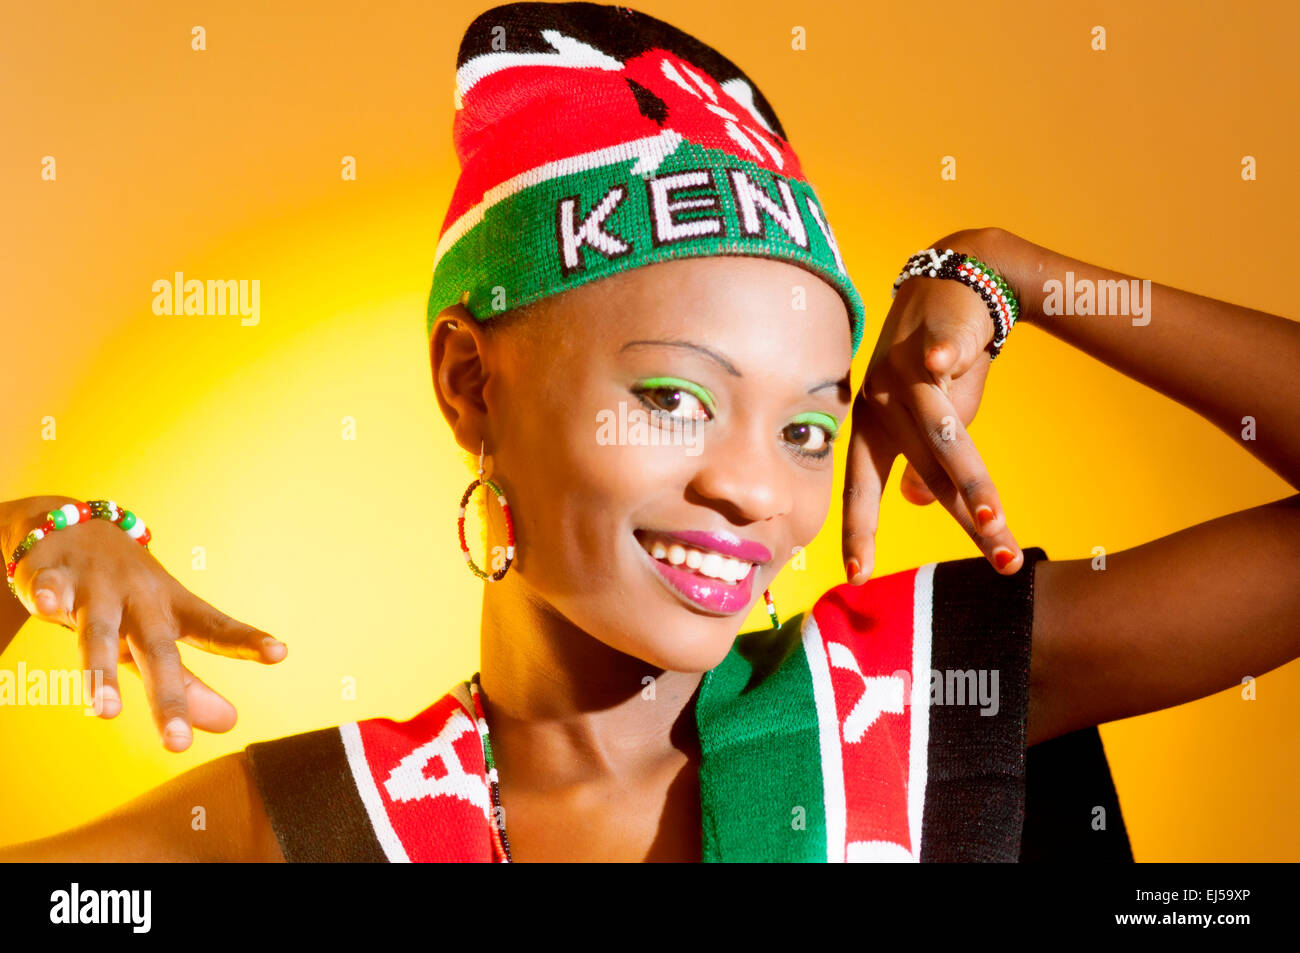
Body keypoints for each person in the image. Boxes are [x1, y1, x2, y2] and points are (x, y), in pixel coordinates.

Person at [2, 1, 1298, 863]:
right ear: (471, 386)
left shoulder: (922, 692)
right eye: (675, 396)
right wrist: (22, 538)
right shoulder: (324, 823)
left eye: (807, 426)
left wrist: (1006, 266)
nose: (752, 488)